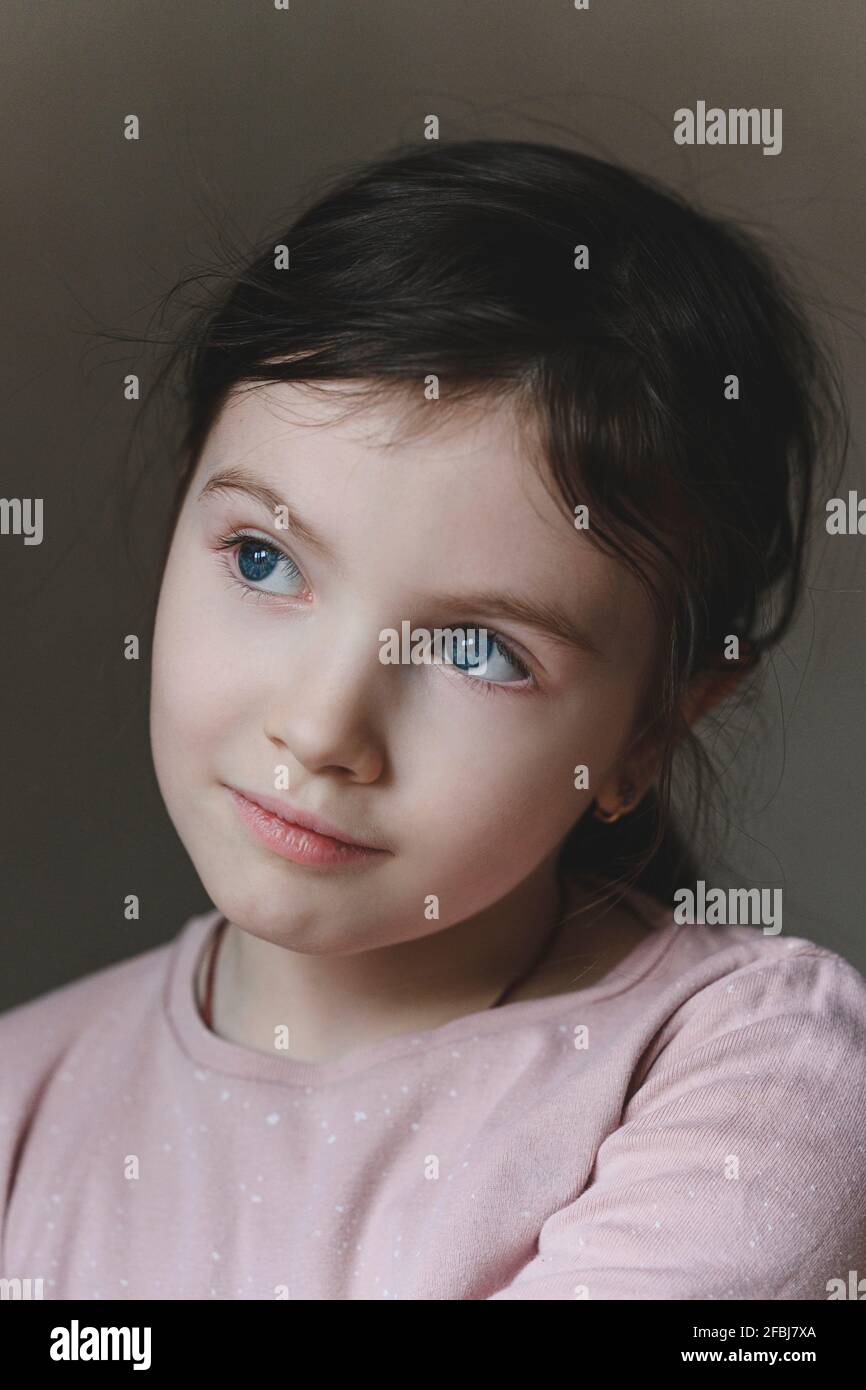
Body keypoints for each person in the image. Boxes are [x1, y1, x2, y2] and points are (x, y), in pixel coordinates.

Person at [2, 139, 864, 1300]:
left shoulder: (747, 1075)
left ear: (648, 733)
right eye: (262, 559)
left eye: (476, 649)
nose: (318, 731)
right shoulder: (25, 1099)